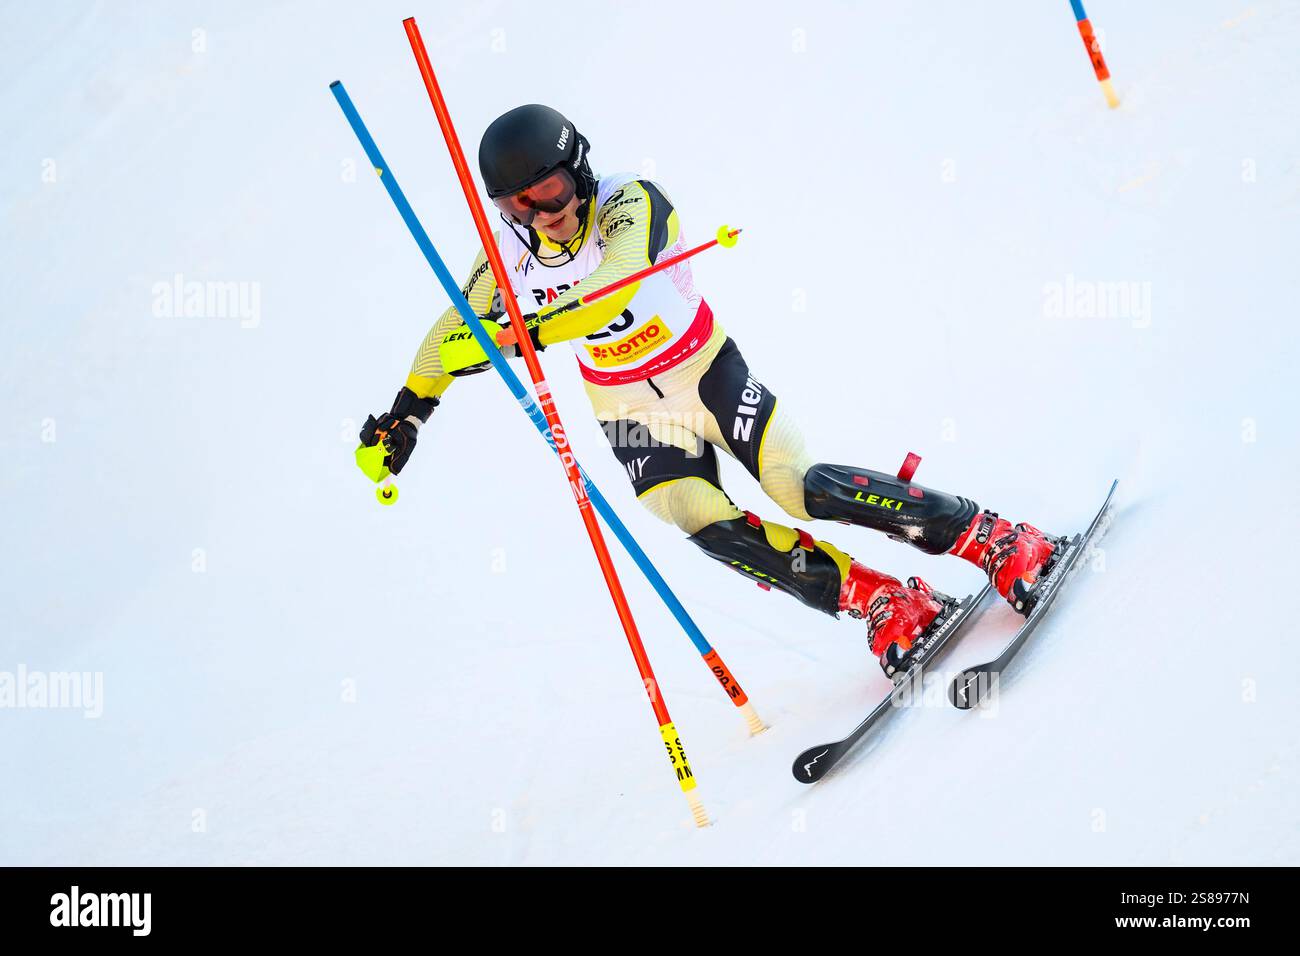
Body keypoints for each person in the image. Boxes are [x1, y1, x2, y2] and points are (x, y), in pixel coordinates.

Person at [359, 104, 1060, 677]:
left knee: (796, 486)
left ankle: (990, 535)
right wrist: (407, 415)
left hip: (702, 367)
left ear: (577, 168)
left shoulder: (628, 200)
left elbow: (611, 292)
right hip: (624, 405)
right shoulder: (506, 250)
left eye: (547, 191)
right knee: (698, 517)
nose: (539, 215)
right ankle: (881, 601)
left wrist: (521, 333)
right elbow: (446, 335)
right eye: (517, 203)